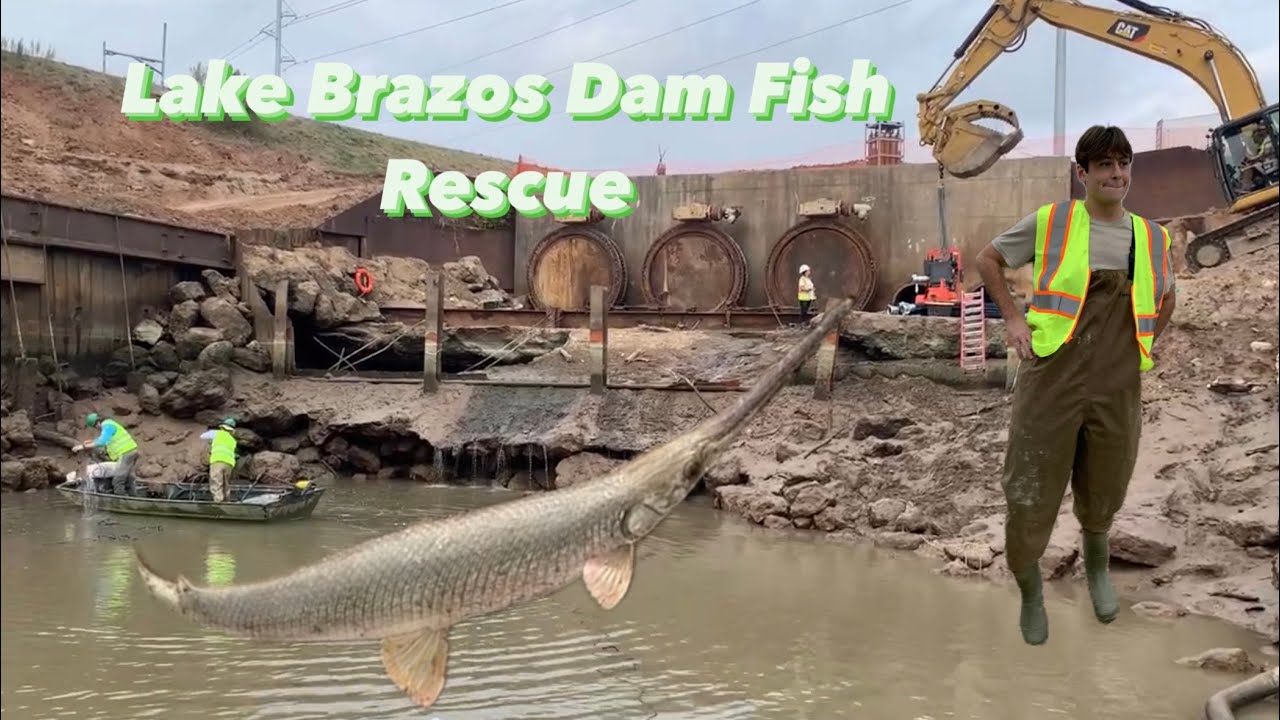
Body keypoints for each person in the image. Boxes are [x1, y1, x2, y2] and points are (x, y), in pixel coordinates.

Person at [973, 125, 1177, 647]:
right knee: (1029, 488)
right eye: (1105, 164)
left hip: (1117, 380)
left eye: (1123, 163)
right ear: (1082, 173)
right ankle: (1030, 590)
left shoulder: (1152, 237)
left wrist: (1143, 342)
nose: (1116, 173)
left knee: (1107, 480)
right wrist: (1013, 320)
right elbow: (988, 260)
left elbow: (1167, 297)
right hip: (1052, 375)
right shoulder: (1052, 221)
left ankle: (1097, 570)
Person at [73, 413, 141, 496]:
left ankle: (121, 500)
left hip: (126, 453)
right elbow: (104, 439)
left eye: (95, 427)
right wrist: (91, 442)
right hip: (130, 451)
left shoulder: (107, 425)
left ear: (97, 423)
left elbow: (102, 441)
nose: (98, 429)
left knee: (118, 480)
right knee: (129, 478)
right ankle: (133, 497)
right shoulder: (110, 424)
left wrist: (83, 447)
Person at [199, 418, 238, 503]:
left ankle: (218, 502)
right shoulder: (233, 440)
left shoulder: (216, 433)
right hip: (229, 463)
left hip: (217, 461)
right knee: (226, 484)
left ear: (222, 427)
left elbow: (202, 436)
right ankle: (227, 501)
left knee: (216, 481)